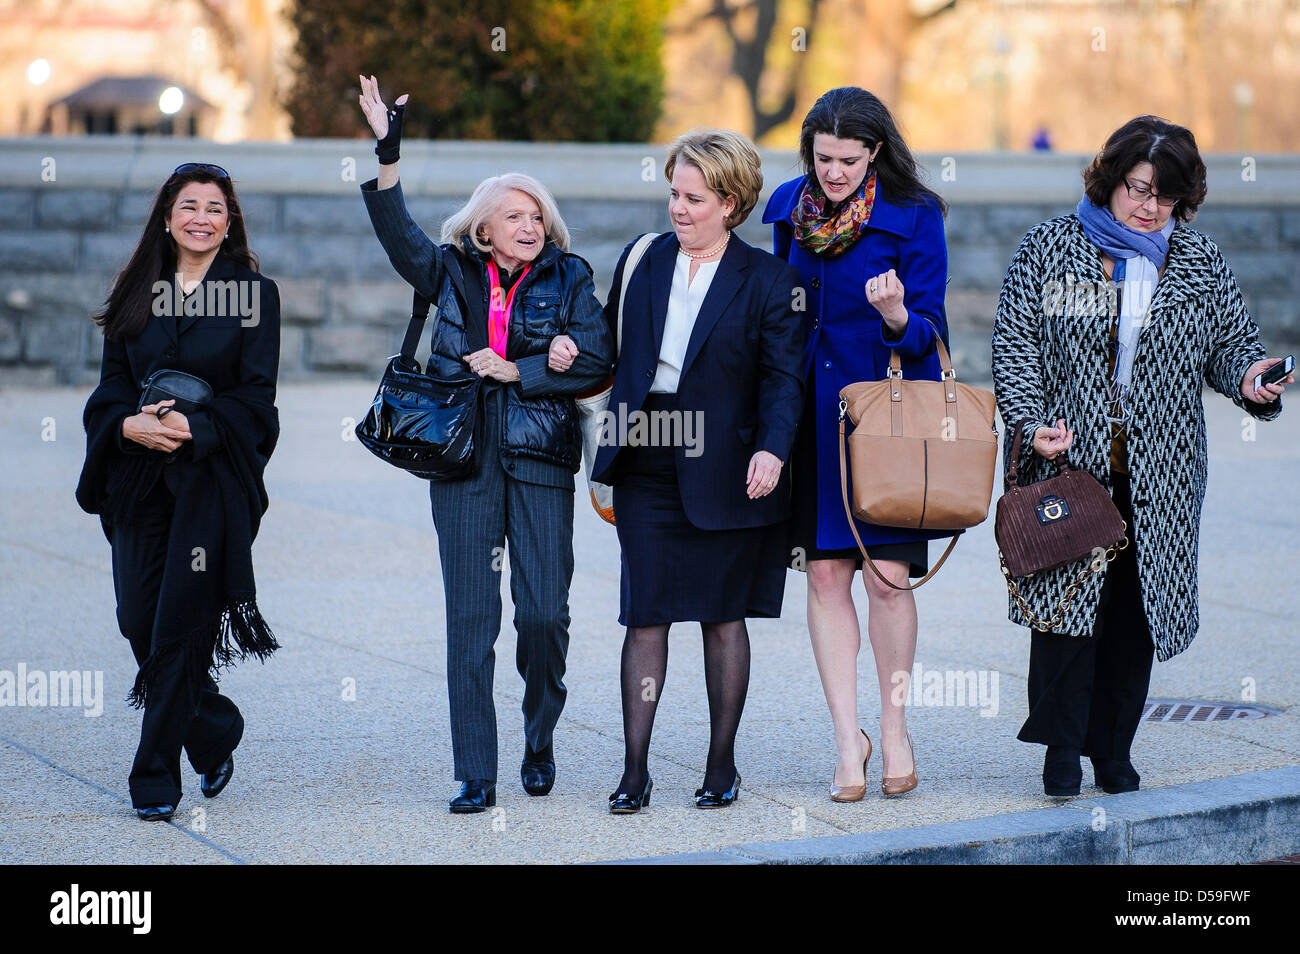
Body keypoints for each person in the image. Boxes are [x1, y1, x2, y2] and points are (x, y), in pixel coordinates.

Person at [991, 115, 1291, 797]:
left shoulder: (1198, 261)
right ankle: (1062, 750)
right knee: (1067, 609)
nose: (1149, 206)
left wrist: (1251, 379)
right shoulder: (1050, 247)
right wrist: (1031, 423)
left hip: (1163, 469)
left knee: (1135, 613)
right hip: (1069, 463)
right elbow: (1015, 347)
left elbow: (1229, 347)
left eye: (1165, 196)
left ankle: (1113, 748)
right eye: (1137, 188)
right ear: (1110, 178)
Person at [356, 76, 613, 813]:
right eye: (512, 214)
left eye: (536, 214)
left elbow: (598, 360)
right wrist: (387, 152)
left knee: (543, 617)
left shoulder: (569, 278)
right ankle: (476, 771)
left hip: (538, 462)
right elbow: (401, 239)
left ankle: (540, 732)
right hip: (462, 464)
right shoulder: (453, 270)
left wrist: (527, 367)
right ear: (483, 228)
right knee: (470, 623)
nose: (528, 224)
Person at [591, 129, 805, 813]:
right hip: (645, 451)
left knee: (720, 615)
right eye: (673, 194)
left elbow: (783, 380)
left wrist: (772, 448)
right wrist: (563, 355)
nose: (678, 209)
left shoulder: (772, 280)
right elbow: (608, 348)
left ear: (731, 202)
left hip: (729, 463)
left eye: (693, 198)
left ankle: (721, 764)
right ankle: (634, 770)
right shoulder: (642, 260)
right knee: (645, 613)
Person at [76, 162, 281, 820]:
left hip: (210, 482)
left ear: (230, 221)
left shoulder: (254, 294)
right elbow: (109, 387)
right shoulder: (136, 288)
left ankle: (154, 774)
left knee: (179, 628)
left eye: (214, 208)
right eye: (188, 205)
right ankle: (213, 726)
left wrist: (199, 427)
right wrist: (125, 421)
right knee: (138, 620)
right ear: (167, 216)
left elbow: (257, 401)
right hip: (136, 477)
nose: (201, 217)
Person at [761, 87, 950, 801]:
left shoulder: (916, 215)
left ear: (875, 152)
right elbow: (779, 311)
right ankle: (849, 742)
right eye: (823, 157)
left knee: (887, 578)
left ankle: (893, 727)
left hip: (886, 415)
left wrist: (898, 315)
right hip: (809, 412)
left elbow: (931, 329)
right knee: (826, 575)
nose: (832, 173)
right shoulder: (786, 206)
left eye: (847, 159)